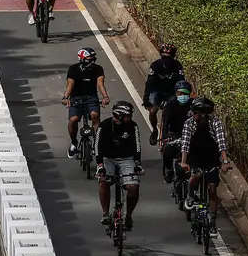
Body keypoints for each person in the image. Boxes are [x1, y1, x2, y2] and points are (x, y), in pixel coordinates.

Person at [179, 97, 229, 238]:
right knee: (197, 175)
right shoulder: (189, 124)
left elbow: (221, 143)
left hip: (211, 159)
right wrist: (183, 162)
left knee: (212, 189)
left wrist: (225, 162)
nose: (192, 114)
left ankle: (212, 222)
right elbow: (185, 144)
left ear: (202, 114)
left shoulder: (215, 123)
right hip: (195, 158)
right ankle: (190, 195)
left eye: (195, 112)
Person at [95, 101, 143, 230]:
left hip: (126, 158)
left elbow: (137, 146)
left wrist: (137, 163)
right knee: (104, 181)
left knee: (133, 187)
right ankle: (105, 213)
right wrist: (100, 165)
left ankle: (128, 215)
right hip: (107, 158)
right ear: (120, 115)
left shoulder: (133, 126)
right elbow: (97, 147)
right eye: (128, 115)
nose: (131, 118)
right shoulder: (104, 126)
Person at [61, 47, 109, 158]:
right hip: (76, 98)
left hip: (91, 97)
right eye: (89, 60)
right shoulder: (73, 69)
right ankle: (73, 142)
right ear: (81, 59)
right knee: (73, 120)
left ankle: (97, 143)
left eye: (93, 59)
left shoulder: (98, 69)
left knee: (95, 116)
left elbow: (100, 84)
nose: (92, 62)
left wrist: (105, 96)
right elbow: (70, 84)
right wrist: (65, 97)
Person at [142, 43, 184, 145]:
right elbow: (149, 82)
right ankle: (154, 130)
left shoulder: (178, 66)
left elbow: (182, 83)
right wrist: (146, 98)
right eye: (164, 57)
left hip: (172, 90)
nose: (167, 60)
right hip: (157, 89)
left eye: (169, 58)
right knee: (153, 111)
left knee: (175, 110)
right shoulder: (155, 65)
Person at [160, 80, 193, 184]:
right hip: (174, 134)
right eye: (180, 93)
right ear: (176, 93)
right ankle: (169, 170)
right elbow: (165, 123)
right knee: (167, 151)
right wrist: (164, 138)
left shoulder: (193, 105)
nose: (183, 96)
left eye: (185, 93)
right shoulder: (171, 104)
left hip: (191, 134)